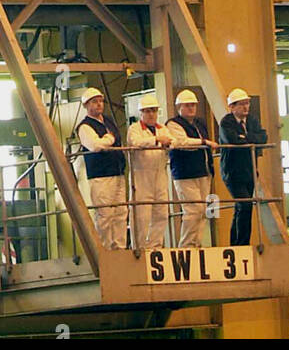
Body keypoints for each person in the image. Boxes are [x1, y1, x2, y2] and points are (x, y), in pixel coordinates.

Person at [77, 86, 128, 250]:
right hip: (101, 176)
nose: (99, 105)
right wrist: (109, 139)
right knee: (105, 214)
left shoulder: (108, 121)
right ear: (86, 105)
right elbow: (95, 145)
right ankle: (105, 250)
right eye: (94, 102)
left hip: (118, 172)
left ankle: (119, 247)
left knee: (121, 212)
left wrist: (107, 140)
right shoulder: (84, 127)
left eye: (100, 101)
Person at [167, 88, 216, 247]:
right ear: (179, 107)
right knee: (193, 210)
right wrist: (203, 143)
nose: (191, 108)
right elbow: (181, 142)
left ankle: (197, 243)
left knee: (203, 211)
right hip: (185, 174)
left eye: (193, 105)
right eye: (187, 105)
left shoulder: (200, 123)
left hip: (204, 172)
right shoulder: (173, 124)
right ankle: (186, 246)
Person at [219, 87, 267, 246]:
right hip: (232, 172)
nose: (245, 107)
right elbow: (231, 139)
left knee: (243, 207)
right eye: (241, 104)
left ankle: (237, 243)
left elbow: (263, 137)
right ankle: (242, 244)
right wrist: (250, 139)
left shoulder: (252, 120)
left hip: (250, 170)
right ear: (231, 107)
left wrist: (245, 137)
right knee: (245, 204)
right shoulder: (226, 121)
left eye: (247, 103)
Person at [127, 98, 173, 250]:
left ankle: (155, 247)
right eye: (147, 111)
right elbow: (136, 142)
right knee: (141, 216)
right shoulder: (134, 129)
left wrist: (163, 140)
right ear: (141, 113)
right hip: (141, 177)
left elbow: (173, 141)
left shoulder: (163, 128)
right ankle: (138, 248)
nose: (151, 114)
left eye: (154, 110)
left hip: (160, 174)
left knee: (161, 213)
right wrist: (156, 139)